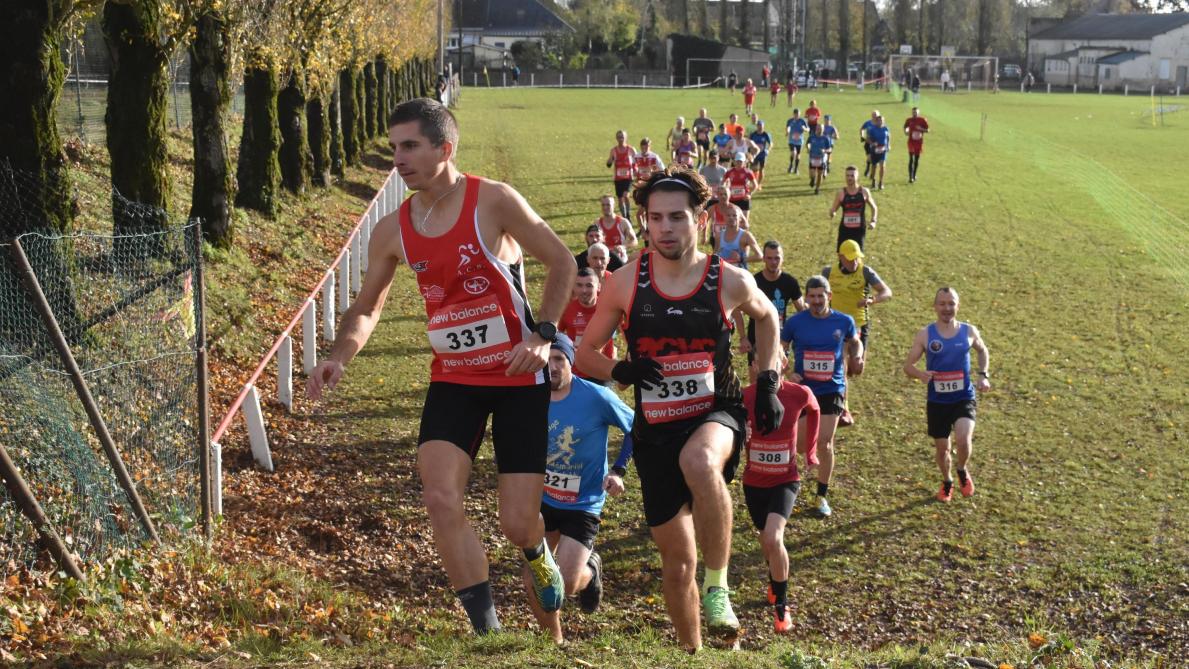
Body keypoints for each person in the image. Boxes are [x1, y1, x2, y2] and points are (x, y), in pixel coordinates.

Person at [307, 98, 577, 636]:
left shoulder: (493, 201)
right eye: (393, 148)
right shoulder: (393, 230)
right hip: (454, 379)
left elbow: (562, 261)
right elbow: (366, 308)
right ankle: (487, 632)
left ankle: (535, 553)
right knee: (438, 497)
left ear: (444, 148)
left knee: (518, 522)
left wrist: (543, 337)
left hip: (516, 376)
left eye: (409, 146)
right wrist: (338, 357)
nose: (397, 159)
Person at [575, 166, 786, 652]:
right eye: (655, 219)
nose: (665, 228)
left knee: (700, 461)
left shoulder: (727, 279)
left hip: (718, 410)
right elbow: (587, 353)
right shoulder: (625, 283)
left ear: (701, 220)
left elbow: (769, 316)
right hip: (655, 430)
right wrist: (622, 372)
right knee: (676, 567)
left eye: (676, 217)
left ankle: (719, 587)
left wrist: (769, 381)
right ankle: (697, 649)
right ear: (644, 222)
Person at [522, 333, 634, 642]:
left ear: (571, 363)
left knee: (567, 584)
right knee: (536, 578)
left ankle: (591, 571)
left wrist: (619, 470)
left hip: (583, 503)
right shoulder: (530, 395)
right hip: (542, 500)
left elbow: (635, 428)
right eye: (549, 359)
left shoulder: (596, 396)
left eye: (560, 359)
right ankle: (554, 642)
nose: (553, 366)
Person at [741, 359, 819, 633]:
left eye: (775, 358)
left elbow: (816, 408)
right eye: (759, 361)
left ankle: (781, 606)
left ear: (784, 363)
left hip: (786, 481)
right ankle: (775, 582)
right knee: (767, 541)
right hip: (753, 483)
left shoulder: (798, 393)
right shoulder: (744, 396)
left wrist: (810, 452)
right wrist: (741, 433)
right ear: (752, 366)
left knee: (774, 537)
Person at [780, 275, 863, 518]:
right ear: (807, 297)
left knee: (825, 442)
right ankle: (789, 487)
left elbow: (855, 342)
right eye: (812, 296)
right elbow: (780, 346)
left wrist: (857, 355)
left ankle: (821, 495)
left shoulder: (843, 321)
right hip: (803, 391)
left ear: (829, 296)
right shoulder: (796, 322)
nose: (816, 301)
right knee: (800, 446)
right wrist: (786, 368)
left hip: (831, 390)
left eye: (821, 296)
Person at [902, 287, 991, 502]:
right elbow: (908, 366)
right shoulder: (925, 334)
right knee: (943, 450)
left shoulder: (968, 331)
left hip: (963, 397)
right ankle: (947, 480)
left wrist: (983, 374)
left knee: (963, 438)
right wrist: (920, 374)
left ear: (958, 306)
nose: (947, 308)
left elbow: (982, 350)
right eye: (942, 303)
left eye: (951, 303)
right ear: (935, 307)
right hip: (937, 401)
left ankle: (961, 469)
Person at [821, 240, 891, 424]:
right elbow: (818, 293)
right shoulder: (829, 272)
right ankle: (844, 409)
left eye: (856, 258)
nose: (854, 263)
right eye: (850, 259)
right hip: (836, 325)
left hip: (859, 323)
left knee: (856, 368)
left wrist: (872, 300)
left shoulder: (865, 271)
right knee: (842, 365)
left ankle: (844, 380)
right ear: (840, 257)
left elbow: (887, 291)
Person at [737, 240, 805, 364]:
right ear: (763, 258)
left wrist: (795, 335)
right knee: (756, 380)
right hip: (756, 340)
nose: (773, 262)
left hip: (780, 339)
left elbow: (802, 311)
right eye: (769, 258)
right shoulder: (754, 282)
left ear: (782, 258)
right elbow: (738, 310)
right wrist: (743, 338)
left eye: (777, 258)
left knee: (778, 380)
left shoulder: (790, 282)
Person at [560, 270, 618, 383]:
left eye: (589, 285)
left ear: (599, 287)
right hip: (576, 372)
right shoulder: (566, 308)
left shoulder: (611, 307)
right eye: (579, 285)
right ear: (574, 287)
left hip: (603, 371)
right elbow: (557, 336)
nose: (584, 290)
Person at [828, 166, 879, 251]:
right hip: (845, 230)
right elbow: (833, 209)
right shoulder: (841, 193)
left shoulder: (864, 191)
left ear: (857, 176)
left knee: (858, 256)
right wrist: (832, 212)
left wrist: (873, 221)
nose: (849, 178)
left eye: (852, 175)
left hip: (859, 230)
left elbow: (874, 207)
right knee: (842, 255)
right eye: (847, 176)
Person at [713, 203, 760, 270]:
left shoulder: (746, 235)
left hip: (739, 273)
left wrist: (741, 259)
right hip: (723, 274)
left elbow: (759, 256)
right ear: (724, 217)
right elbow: (715, 254)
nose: (731, 218)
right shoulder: (718, 235)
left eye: (734, 215)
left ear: (740, 218)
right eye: (728, 215)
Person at [592, 194, 637, 263]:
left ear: (614, 206)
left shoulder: (622, 222)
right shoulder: (597, 223)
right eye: (603, 205)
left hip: (620, 260)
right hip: (602, 260)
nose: (605, 207)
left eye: (608, 205)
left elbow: (634, 241)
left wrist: (623, 247)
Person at [633, 138, 666, 230]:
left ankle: (646, 229)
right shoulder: (636, 156)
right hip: (639, 185)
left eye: (647, 146)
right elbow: (631, 167)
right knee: (641, 208)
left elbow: (663, 169)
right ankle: (645, 228)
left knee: (644, 209)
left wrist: (655, 173)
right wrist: (634, 173)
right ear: (641, 147)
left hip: (649, 186)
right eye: (643, 147)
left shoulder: (654, 157)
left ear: (650, 146)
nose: (645, 149)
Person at [606, 130, 637, 219]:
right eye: (619, 137)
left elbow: (636, 162)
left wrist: (635, 170)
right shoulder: (613, 150)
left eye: (622, 137)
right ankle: (624, 215)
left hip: (628, 177)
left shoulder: (631, 149)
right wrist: (609, 161)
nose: (621, 139)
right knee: (620, 198)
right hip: (618, 178)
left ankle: (628, 215)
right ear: (616, 138)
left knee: (626, 196)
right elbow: (609, 164)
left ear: (626, 138)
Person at [724, 152, 758, 219]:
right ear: (734, 161)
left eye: (741, 161)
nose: (739, 163)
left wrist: (749, 194)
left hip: (744, 200)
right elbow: (723, 184)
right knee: (733, 221)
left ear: (744, 162)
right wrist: (726, 193)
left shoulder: (748, 172)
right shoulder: (729, 172)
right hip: (732, 200)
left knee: (744, 222)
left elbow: (755, 185)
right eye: (737, 161)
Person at [903, 107, 930, 183]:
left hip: (919, 142)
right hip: (911, 141)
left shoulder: (922, 120)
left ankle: (914, 175)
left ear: (918, 113)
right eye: (913, 112)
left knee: (916, 159)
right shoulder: (909, 120)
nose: (914, 114)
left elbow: (928, 130)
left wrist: (921, 129)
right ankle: (910, 177)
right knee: (911, 158)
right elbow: (905, 127)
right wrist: (906, 131)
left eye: (916, 112)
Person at [865, 114, 891, 190]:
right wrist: (872, 143)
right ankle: (873, 181)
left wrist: (888, 145)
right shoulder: (872, 129)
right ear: (876, 121)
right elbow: (867, 139)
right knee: (874, 167)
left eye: (882, 121)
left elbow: (888, 136)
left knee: (882, 166)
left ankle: (881, 182)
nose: (880, 122)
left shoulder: (886, 128)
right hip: (874, 150)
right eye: (879, 121)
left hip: (883, 149)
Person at [806, 124, 831, 194]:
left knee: (820, 174)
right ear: (816, 129)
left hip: (821, 159)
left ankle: (817, 188)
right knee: (812, 174)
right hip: (812, 157)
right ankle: (813, 179)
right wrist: (808, 148)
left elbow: (829, 149)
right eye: (818, 128)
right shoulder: (811, 137)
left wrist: (825, 151)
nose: (819, 130)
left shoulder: (826, 138)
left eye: (821, 128)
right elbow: (808, 144)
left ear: (823, 129)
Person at [749, 120, 773, 186]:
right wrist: (750, 151)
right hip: (754, 154)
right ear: (757, 126)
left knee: (761, 169)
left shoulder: (766, 134)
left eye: (761, 126)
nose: (760, 127)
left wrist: (768, 150)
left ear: (763, 126)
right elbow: (749, 143)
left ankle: (759, 184)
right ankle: (754, 182)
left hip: (763, 155)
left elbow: (770, 143)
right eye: (759, 125)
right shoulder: (753, 134)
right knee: (753, 169)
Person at [785, 109, 808, 174]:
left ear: (799, 114)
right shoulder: (790, 121)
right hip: (791, 140)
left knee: (798, 154)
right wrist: (787, 131)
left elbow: (808, 129)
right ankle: (791, 165)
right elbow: (788, 127)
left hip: (799, 141)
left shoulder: (802, 121)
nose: (796, 116)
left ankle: (796, 168)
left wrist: (805, 129)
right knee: (793, 152)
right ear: (793, 114)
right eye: (795, 114)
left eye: (798, 114)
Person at [859, 110, 879, 178]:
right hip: (868, 143)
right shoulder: (868, 123)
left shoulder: (879, 123)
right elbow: (862, 129)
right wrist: (863, 137)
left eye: (875, 115)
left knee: (875, 159)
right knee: (869, 157)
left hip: (876, 144)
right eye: (873, 114)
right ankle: (868, 169)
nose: (874, 116)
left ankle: (872, 173)